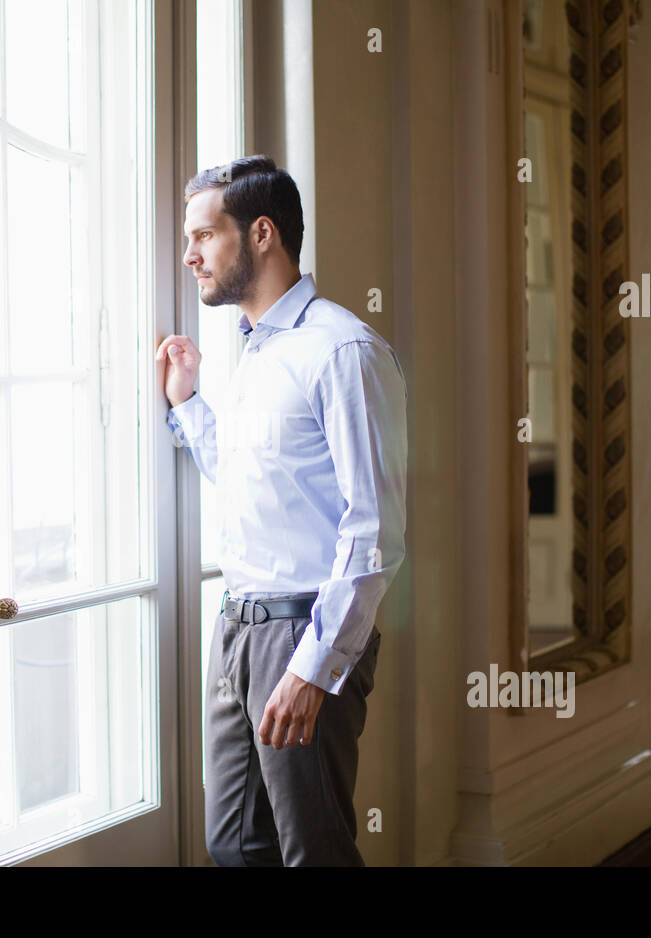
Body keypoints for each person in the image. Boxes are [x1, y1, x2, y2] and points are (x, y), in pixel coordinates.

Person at [156, 155, 408, 866]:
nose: (189, 255)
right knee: (234, 846)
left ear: (261, 233)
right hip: (238, 627)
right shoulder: (252, 353)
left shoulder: (343, 350)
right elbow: (253, 481)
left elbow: (378, 532)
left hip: (303, 628)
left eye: (205, 236)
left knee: (314, 852)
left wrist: (314, 666)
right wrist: (188, 405)